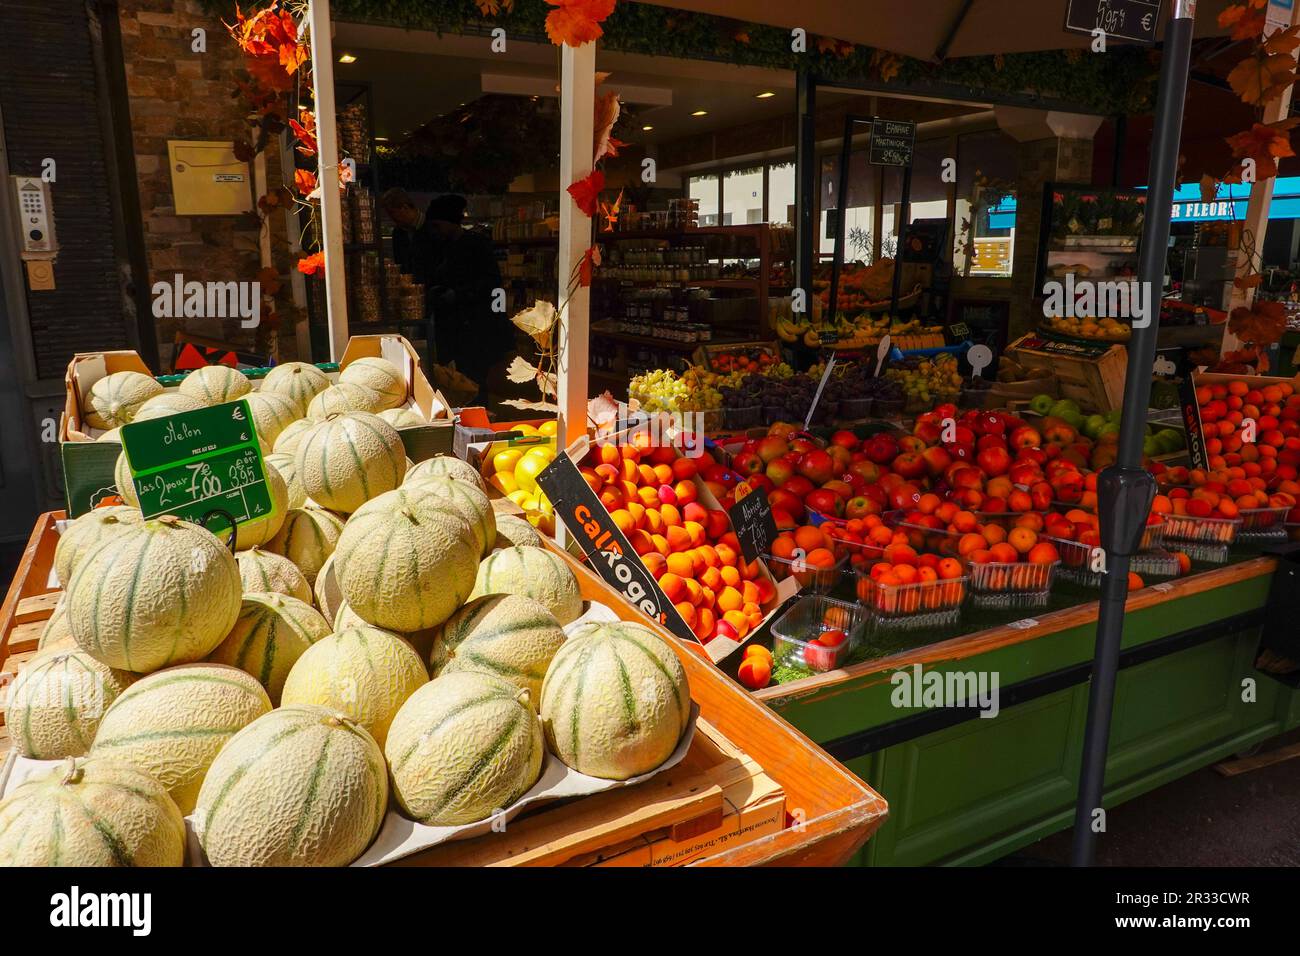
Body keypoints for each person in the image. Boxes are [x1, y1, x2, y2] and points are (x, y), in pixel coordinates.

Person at [381, 191, 510, 404]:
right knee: (456, 379)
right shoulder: (444, 245)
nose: (435, 231)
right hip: (453, 327)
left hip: (474, 326)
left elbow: (491, 283)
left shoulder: (475, 245)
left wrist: (456, 294)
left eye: (438, 225)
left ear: (451, 224)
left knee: (473, 379)